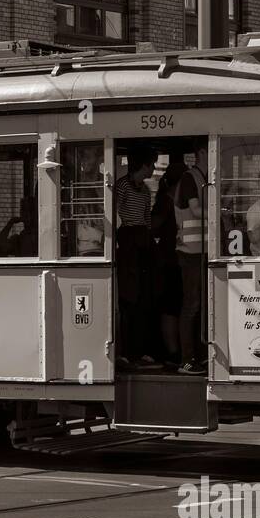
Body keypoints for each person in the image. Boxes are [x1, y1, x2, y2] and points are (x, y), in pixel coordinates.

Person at [114, 147, 157, 368]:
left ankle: (139, 349)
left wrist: (148, 241)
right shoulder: (122, 186)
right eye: (152, 164)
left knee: (142, 295)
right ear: (144, 165)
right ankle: (128, 350)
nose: (154, 168)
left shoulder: (146, 191)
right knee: (129, 295)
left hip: (140, 241)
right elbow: (115, 212)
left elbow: (146, 218)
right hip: (128, 240)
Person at [174, 143, 209, 375]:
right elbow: (196, 211)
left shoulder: (203, 178)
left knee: (202, 304)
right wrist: (222, 212)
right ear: (203, 153)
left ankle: (200, 355)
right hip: (189, 252)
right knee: (192, 305)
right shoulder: (190, 179)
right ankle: (186, 361)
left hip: (202, 252)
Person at [152, 159, 184, 368]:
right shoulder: (168, 200)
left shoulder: (168, 198)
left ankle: (174, 352)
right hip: (170, 259)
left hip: (174, 257)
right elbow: (154, 225)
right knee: (171, 307)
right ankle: (173, 353)